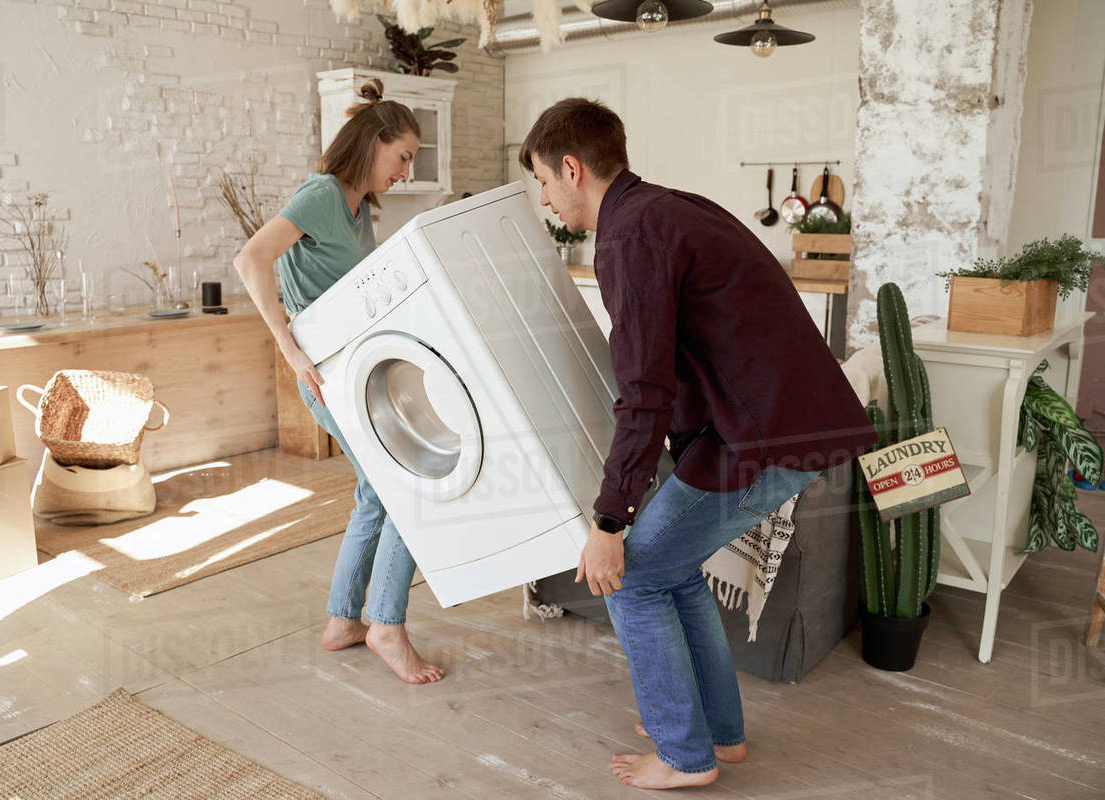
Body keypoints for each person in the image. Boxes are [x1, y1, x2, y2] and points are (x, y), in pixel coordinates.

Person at [518, 98, 876, 789]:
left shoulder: (628, 237)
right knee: (672, 568)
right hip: (772, 427)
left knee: (628, 578)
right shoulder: (667, 208)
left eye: (543, 181)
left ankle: (684, 755)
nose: (545, 199)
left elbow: (644, 390)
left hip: (761, 437)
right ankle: (719, 734)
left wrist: (609, 521)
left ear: (571, 168)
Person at [233, 79, 444, 685]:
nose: (405, 170)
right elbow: (250, 259)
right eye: (402, 156)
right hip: (326, 375)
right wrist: (289, 349)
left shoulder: (356, 209)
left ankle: (343, 621)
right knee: (405, 489)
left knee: (377, 492)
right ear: (375, 142)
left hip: (353, 373)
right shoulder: (322, 194)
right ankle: (386, 625)